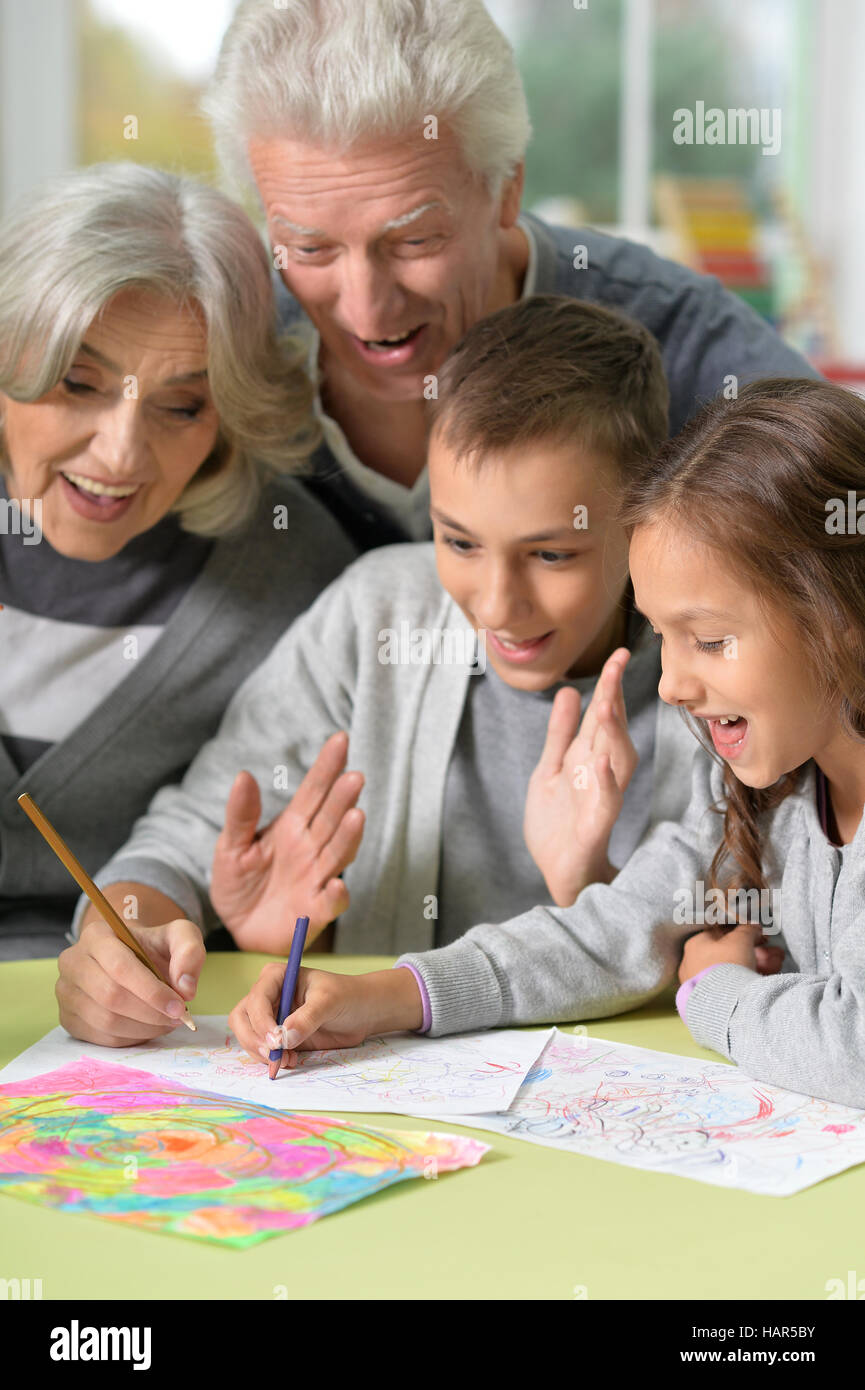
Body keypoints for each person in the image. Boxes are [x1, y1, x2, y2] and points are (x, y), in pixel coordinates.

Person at [58, 296, 704, 1045]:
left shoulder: (709, 679)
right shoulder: (379, 613)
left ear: (644, 518)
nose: (496, 604)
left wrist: (585, 882)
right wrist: (126, 936)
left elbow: (675, 945)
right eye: (458, 542)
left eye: (551, 553)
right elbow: (184, 836)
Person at [230, 377, 865, 1111]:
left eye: (711, 640)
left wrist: (713, 991)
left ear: (843, 615)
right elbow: (611, 933)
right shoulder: (758, 790)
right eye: (663, 637)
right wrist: (383, 995)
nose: (672, 685)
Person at [203, 0, 819, 552]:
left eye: (416, 240)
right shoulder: (228, 339)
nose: (366, 310)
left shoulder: (683, 344)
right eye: (310, 248)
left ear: (507, 186)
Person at [0, 162, 356, 960]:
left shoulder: (294, 574)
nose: (122, 454)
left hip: (141, 1019)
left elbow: (272, 885)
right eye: (77, 383)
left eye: (181, 406)